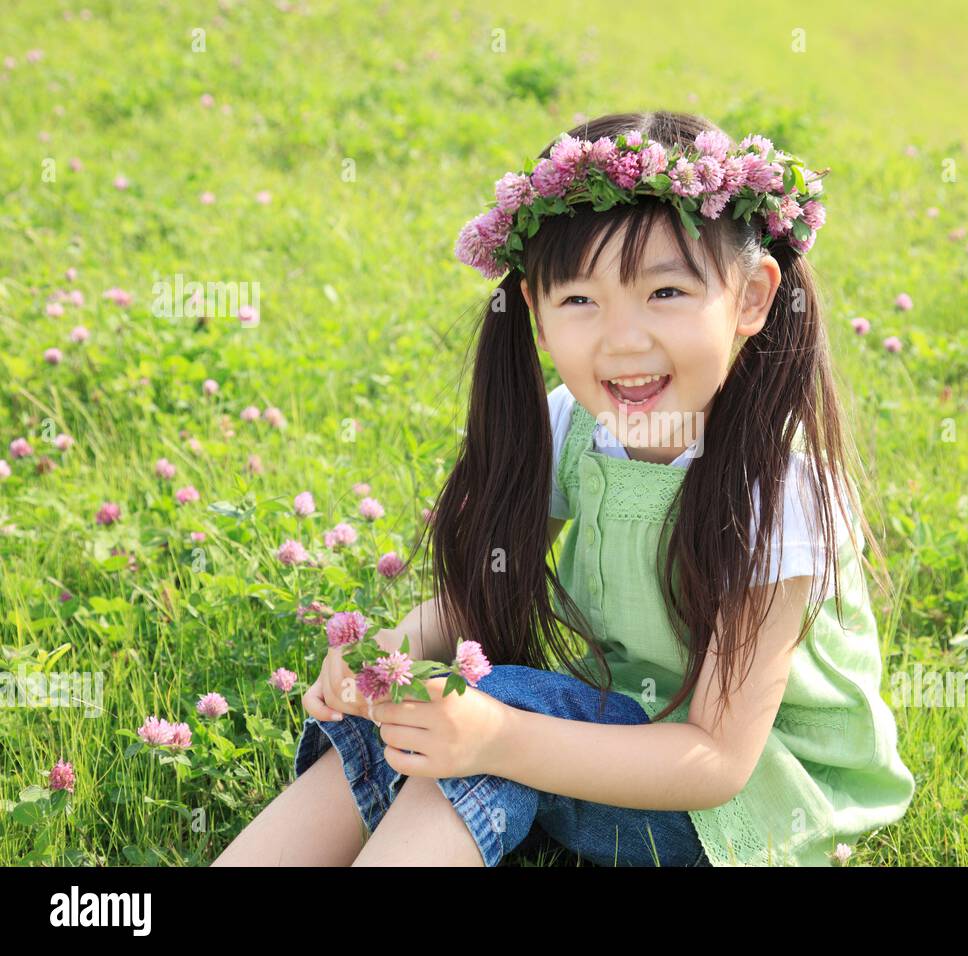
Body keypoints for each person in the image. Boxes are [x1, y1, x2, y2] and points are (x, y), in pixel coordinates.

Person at [214, 109, 914, 868]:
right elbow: (482, 595)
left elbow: (718, 761)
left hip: (756, 803)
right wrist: (388, 655)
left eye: (666, 293)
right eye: (580, 301)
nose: (622, 339)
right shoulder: (571, 425)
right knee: (429, 696)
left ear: (751, 297)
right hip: (611, 735)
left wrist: (503, 735)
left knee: (497, 707)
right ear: (539, 319)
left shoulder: (778, 488)